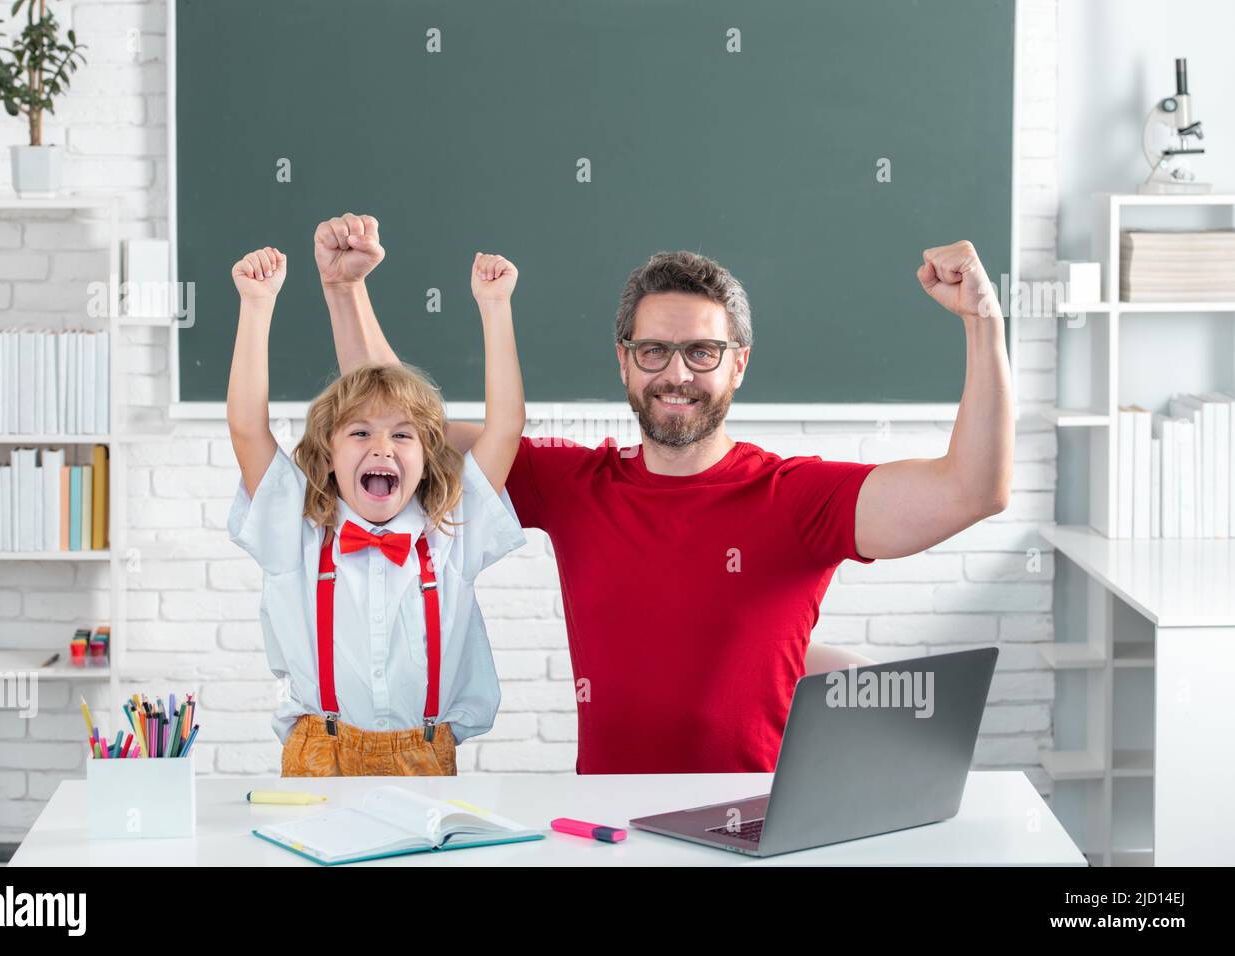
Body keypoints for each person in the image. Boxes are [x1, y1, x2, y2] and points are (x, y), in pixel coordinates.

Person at [322, 212, 1014, 774]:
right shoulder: (572, 484)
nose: (675, 374)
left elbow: (972, 491)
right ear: (624, 361)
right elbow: (398, 428)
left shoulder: (798, 497)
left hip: (753, 835)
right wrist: (345, 292)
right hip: (607, 835)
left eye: (702, 353)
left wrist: (983, 321)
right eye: (653, 351)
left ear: (738, 364)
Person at [225, 234, 527, 775]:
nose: (382, 447)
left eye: (403, 436)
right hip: (320, 753)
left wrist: (495, 308)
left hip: (424, 754)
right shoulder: (294, 530)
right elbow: (248, 429)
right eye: (360, 432)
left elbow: (505, 430)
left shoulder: (453, 533)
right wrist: (256, 306)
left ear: (429, 455)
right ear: (328, 453)